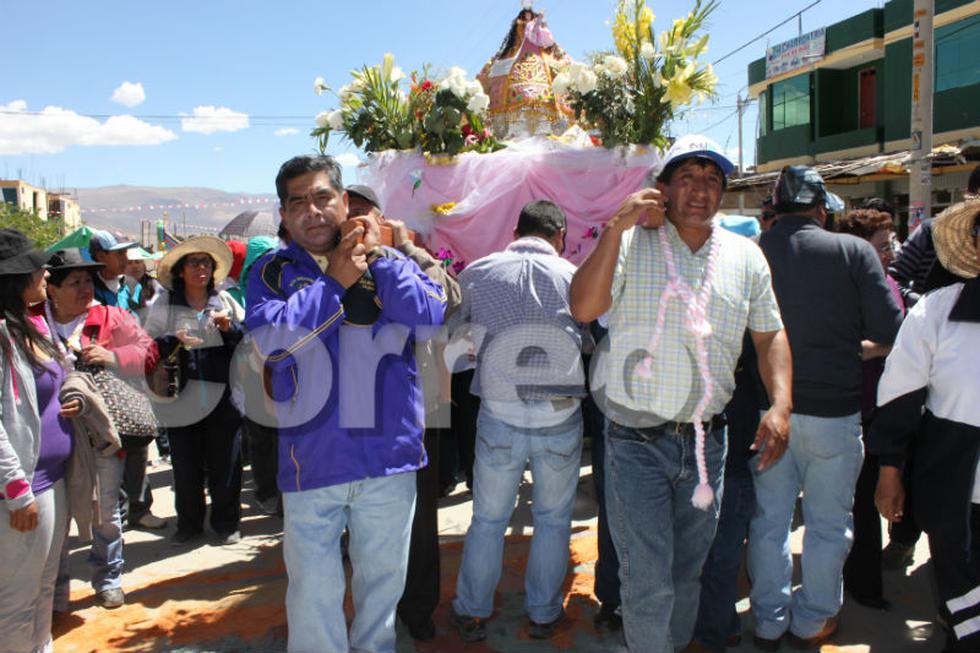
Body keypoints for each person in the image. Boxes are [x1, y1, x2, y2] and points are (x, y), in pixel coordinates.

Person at [569, 135, 792, 653]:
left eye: (712, 179)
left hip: (707, 445)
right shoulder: (630, 244)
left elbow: (769, 335)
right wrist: (616, 227)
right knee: (648, 582)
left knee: (688, 573)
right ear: (663, 188)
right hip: (635, 443)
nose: (700, 190)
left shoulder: (746, 256)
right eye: (687, 177)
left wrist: (781, 403)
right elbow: (583, 308)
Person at [245, 155, 446, 653]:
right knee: (314, 593)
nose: (312, 211)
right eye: (298, 203)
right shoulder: (270, 272)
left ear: (343, 201)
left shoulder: (386, 261)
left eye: (322, 197)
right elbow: (275, 345)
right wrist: (333, 282)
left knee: (383, 590)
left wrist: (379, 259)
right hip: (313, 460)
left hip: (390, 456)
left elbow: (428, 320)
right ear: (284, 214)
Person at [750, 166, 903, 650]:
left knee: (768, 522)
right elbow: (890, 328)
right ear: (822, 209)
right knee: (828, 526)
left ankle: (768, 621)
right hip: (834, 413)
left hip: (768, 412)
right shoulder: (853, 252)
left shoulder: (753, 251)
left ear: (776, 208)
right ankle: (813, 619)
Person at [448, 200, 586, 642]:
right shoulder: (574, 276)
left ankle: (472, 609)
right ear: (560, 236)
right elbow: (588, 337)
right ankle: (543, 612)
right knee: (553, 518)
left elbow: (455, 338)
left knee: (488, 519)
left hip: (499, 409)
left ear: (515, 233)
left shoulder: (478, 273)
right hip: (559, 410)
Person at [348, 183, 462, 642]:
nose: (354, 220)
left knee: (418, 524)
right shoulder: (328, 263)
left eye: (363, 212)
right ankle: (371, 615)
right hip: (349, 414)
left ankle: (416, 610)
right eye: (347, 211)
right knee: (357, 522)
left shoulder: (403, 260)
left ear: (381, 220)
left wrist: (408, 249)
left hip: (412, 414)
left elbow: (450, 299)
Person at [871, 199, 980, 653]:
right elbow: (899, 397)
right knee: (964, 602)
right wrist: (890, 472)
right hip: (955, 494)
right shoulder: (936, 311)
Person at [39, 248, 160, 610]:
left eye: (87, 280)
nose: (85, 288)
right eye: (74, 282)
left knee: (106, 512)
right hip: (51, 437)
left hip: (99, 434)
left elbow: (150, 352)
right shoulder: (34, 323)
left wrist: (115, 357)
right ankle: (56, 591)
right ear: (52, 289)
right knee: (55, 517)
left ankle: (108, 578)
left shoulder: (110, 316)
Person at [0, 228, 80, 653]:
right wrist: (16, 490)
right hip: (23, 491)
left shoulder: (27, 327)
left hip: (52, 479)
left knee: (45, 585)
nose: (46, 273)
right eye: (37, 268)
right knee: (17, 597)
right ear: (16, 279)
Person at [145, 236, 244, 546]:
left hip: (223, 398)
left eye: (206, 263)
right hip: (181, 398)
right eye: (194, 262)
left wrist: (229, 329)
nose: (201, 268)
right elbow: (148, 344)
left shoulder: (224, 301)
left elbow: (247, 341)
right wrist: (174, 339)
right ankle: (189, 525)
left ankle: (226, 524)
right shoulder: (165, 304)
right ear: (180, 270)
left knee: (226, 464)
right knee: (186, 467)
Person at [836, 208, 906, 609]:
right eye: (881, 247)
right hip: (856, 408)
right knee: (859, 502)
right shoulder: (845, 287)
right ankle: (863, 583)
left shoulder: (888, 283)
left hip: (886, 408)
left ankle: (866, 579)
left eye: (889, 245)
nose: (889, 254)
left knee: (875, 496)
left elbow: (899, 340)